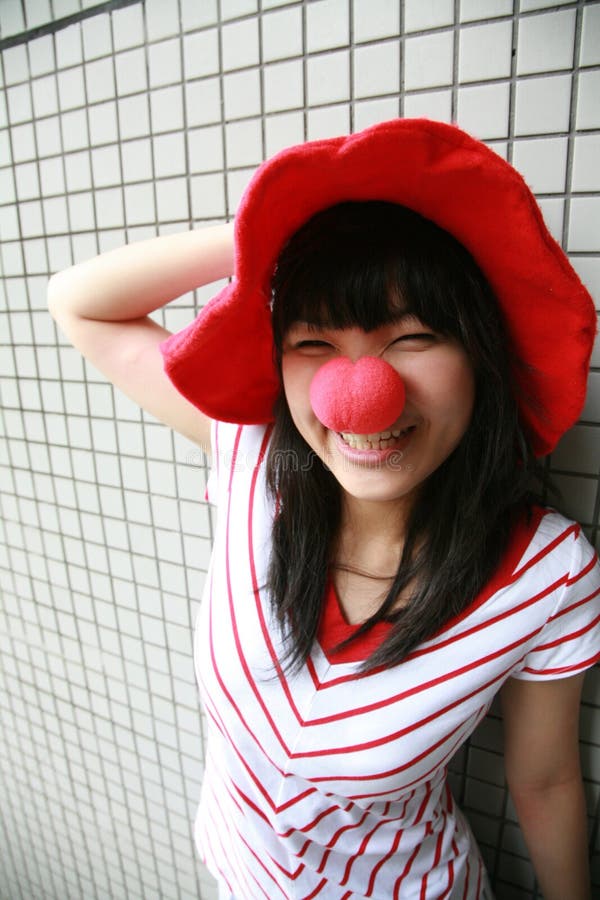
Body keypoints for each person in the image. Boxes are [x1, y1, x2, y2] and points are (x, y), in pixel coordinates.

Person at [48, 119, 600, 900]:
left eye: (413, 336)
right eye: (313, 342)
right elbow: (80, 303)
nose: (360, 393)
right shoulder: (256, 455)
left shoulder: (550, 572)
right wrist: (276, 232)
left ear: (480, 356)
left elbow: (545, 782)